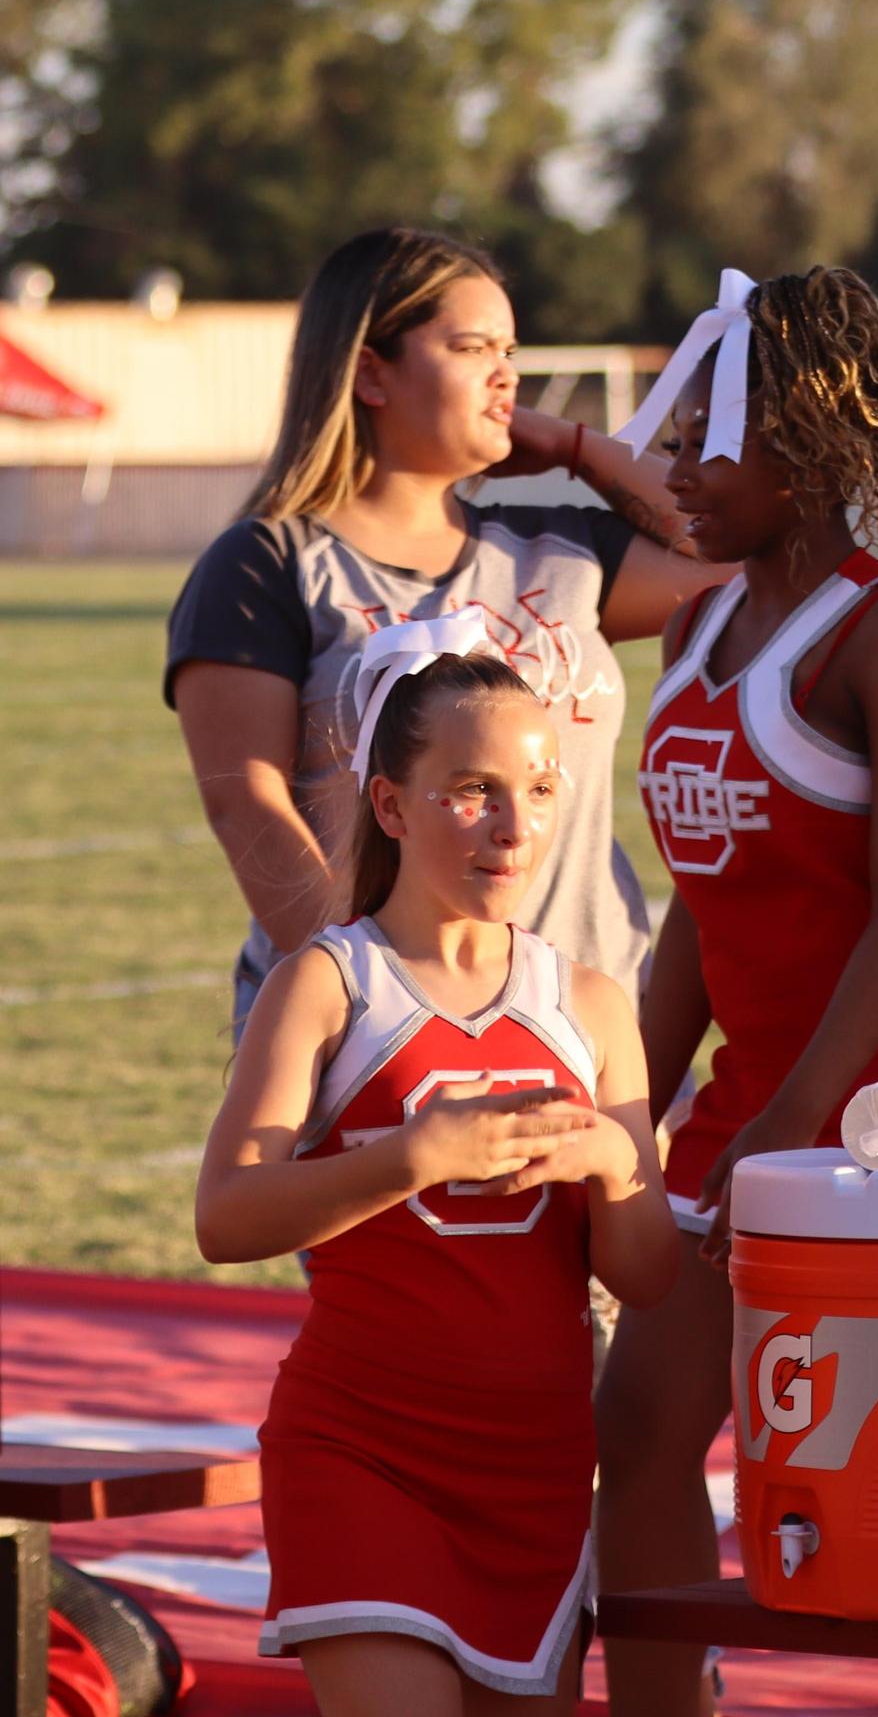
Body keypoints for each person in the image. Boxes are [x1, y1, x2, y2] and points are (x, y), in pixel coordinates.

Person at [593, 267, 878, 1717]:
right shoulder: (693, 626)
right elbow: (702, 922)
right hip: (767, 1102)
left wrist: (794, 1121)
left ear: (813, 440)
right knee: (641, 1426)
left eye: (700, 440)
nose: (667, 473)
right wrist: (627, 1113)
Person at [197, 618, 678, 1715]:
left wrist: (615, 1164)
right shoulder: (328, 984)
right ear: (390, 804)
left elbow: (648, 1276)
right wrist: (416, 1156)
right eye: (474, 790)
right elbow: (225, 1216)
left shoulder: (592, 1008)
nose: (516, 827)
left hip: (537, 1472)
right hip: (361, 1452)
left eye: (542, 789)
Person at [167, 228, 717, 1036]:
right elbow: (247, 807)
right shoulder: (266, 562)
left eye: (510, 349)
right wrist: (378, 1008)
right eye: (471, 346)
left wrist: (575, 447)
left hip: (586, 1032)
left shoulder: (559, 549)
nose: (507, 374)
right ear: (369, 370)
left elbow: (734, 564)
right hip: (375, 1047)